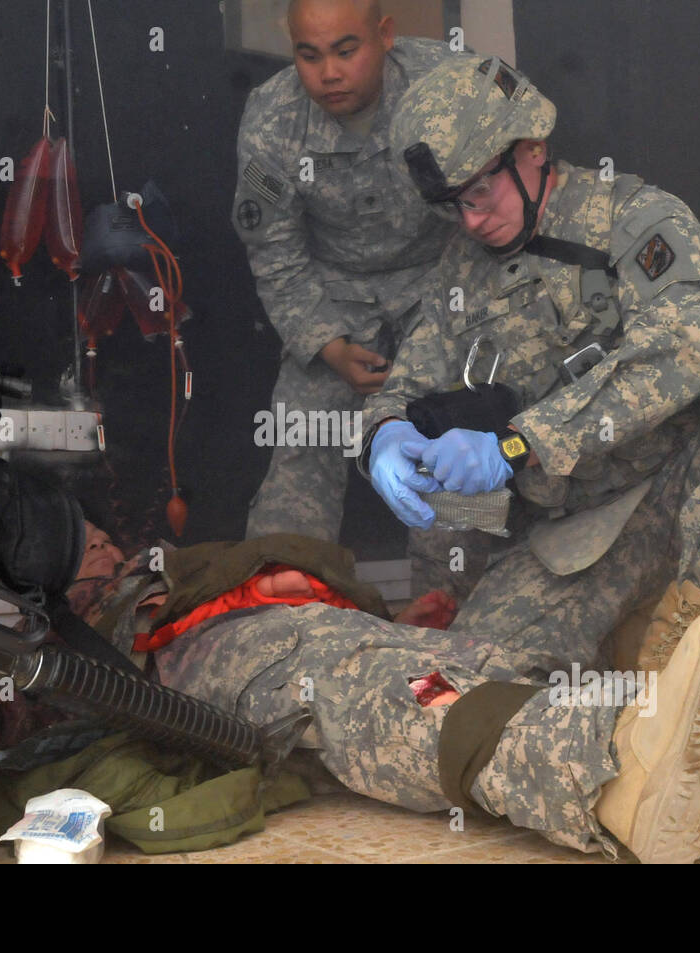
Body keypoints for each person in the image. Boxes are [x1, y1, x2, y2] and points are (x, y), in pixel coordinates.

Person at [359, 55, 700, 695]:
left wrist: (519, 443)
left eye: (480, 194)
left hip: (691, 485)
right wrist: (384, 437)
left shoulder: (638, 220)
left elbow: (673, 354)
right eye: (452, 206)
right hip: (582, 533)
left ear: (532, 149)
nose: (471, 221)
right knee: (468, 690)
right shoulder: (461, 271)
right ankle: (626, 656)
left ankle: (695, 644)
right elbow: (405, 385)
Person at [60, 521, 700, 863]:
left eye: (104, 538)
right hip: (252, 659)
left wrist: (376, 608)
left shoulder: (178, 569)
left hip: (323, 628)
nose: (107, 548)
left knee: (480, 661)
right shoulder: (95, 639)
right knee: (400, 699)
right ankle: (621, 777)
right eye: (88, 553)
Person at [232, 0, 477, 596]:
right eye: (308, 55)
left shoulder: (450, 87)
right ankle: (282, 626)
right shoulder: (273, 119)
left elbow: (500, 206)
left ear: (385, 34)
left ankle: (451, 623)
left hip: (444, 287)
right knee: (301, 453)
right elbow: (276, 253)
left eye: (346, 50)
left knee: (449, 453)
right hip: (333, 298)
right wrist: (329, 346)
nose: (329, 73)